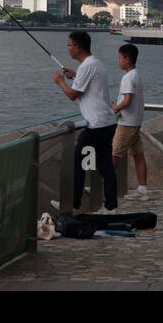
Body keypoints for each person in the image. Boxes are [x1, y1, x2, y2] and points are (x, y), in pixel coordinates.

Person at [51, 30, 118, 213]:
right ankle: (111, 207)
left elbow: (73, 95)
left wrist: (60, 81)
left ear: (78, 47)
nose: (68, 48)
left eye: (69, 44)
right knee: (105, 165)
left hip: (97, 125)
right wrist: (74, 76)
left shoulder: (87, 66)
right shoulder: (93, 63)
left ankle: (72, 203)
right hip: (107, 122)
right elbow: (86, 86)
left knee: (77, 161)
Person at [110, 42, 149, 198]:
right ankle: (142, 189)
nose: (118, 60)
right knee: (138, 155)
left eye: (119, 57)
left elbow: (127, 100)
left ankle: (104, 188)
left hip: (127, 123)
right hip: (136, 121)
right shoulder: (136, 75)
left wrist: (115, 107)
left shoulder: (127, 77)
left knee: (114, 155)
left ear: (127, 59)